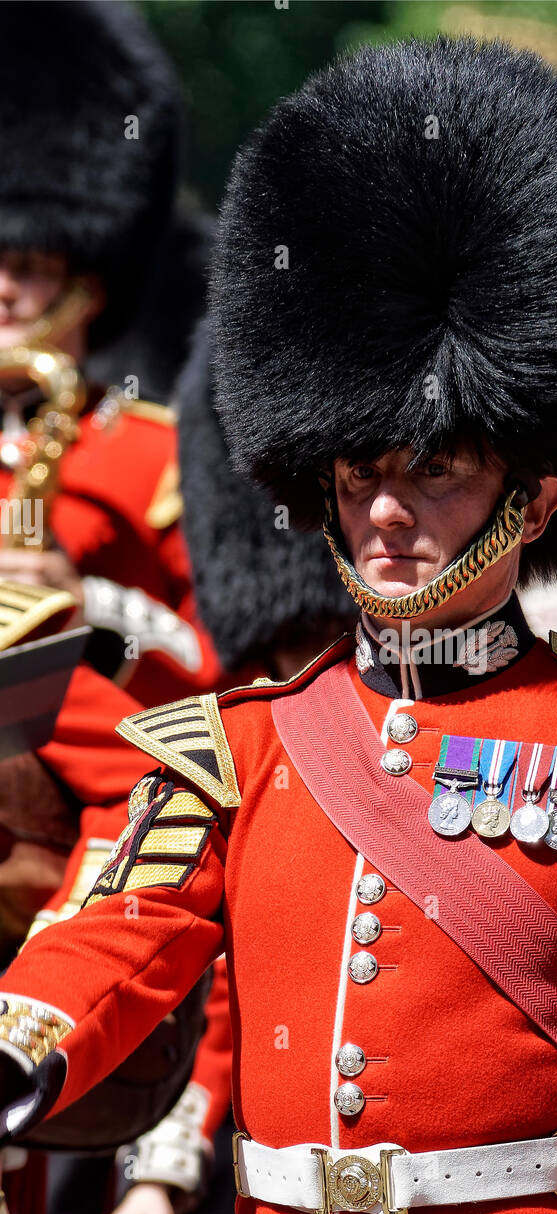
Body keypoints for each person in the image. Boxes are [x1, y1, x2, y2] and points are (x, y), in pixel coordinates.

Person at [0, 37, 557, 1214]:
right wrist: (21, 1042)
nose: (386, 511)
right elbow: (122, 931)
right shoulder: (241, 751)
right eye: (358, 471)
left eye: (433, 469)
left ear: (533, 493)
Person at [0, 0, 221, 706]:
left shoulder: (160, 458)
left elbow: (223, 679)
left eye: (30, 266)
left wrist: (90, 609)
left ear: (87, 289)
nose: (4, 291)